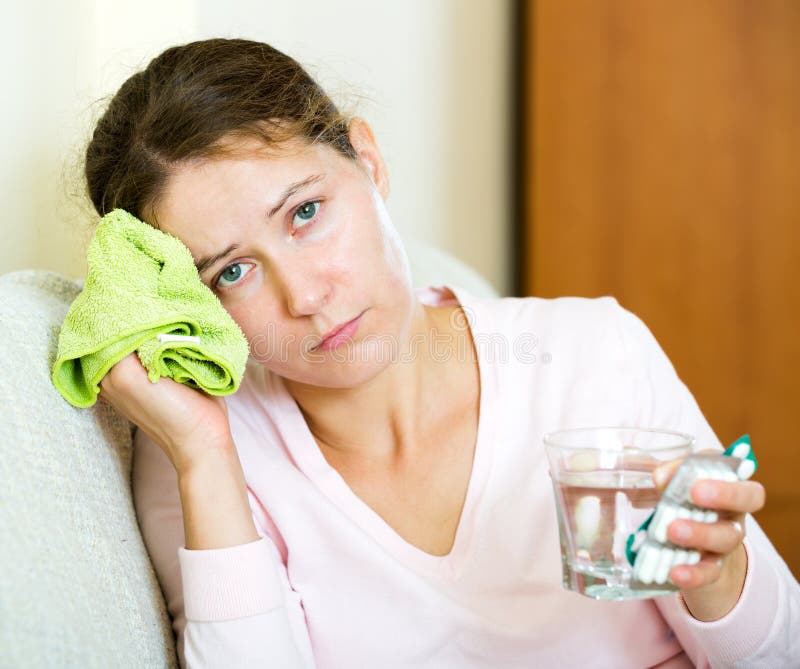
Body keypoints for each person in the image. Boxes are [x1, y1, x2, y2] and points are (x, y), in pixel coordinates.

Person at [87, 38, 799, 668]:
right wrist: (206, 454)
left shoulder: (591, 356)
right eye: (232, 272)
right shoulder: (205, 457)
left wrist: (719, 580)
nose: (305, 296)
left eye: (306, 213)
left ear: (367, 162)